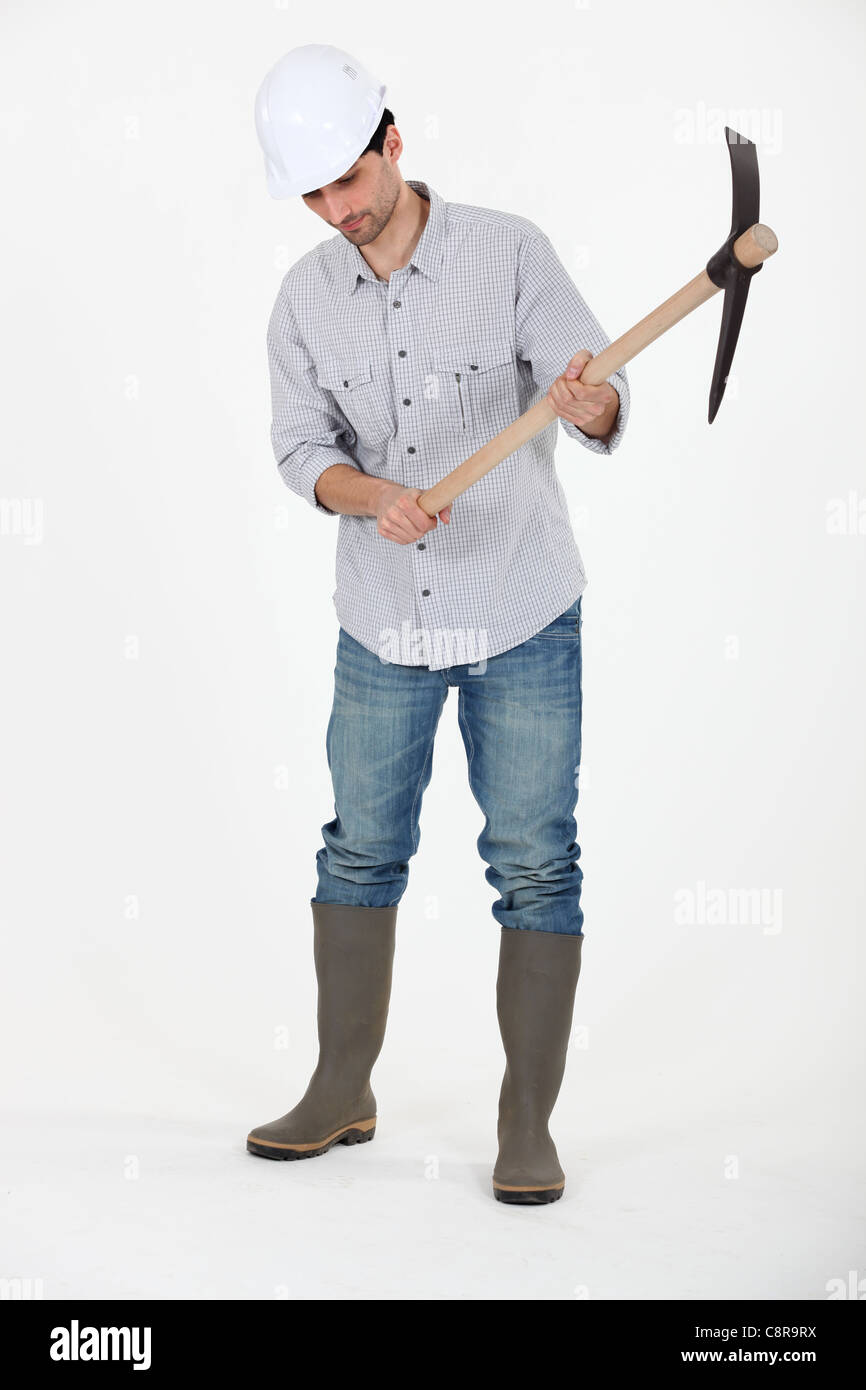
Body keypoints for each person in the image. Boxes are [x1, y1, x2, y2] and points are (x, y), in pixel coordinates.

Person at [247, 43, 630, 1204]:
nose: (336, 211)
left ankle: (526, 1126)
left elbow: (599, 390)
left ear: (392, 141)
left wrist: (587, 398)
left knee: (533, 864)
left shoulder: (509, 253)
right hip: (381, 625)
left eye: (347, 183)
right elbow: (300, 451)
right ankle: (339, 1087)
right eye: (313, 195)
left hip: (518, 608)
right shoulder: (304, 299)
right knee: (359, 850)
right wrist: (367, 497)